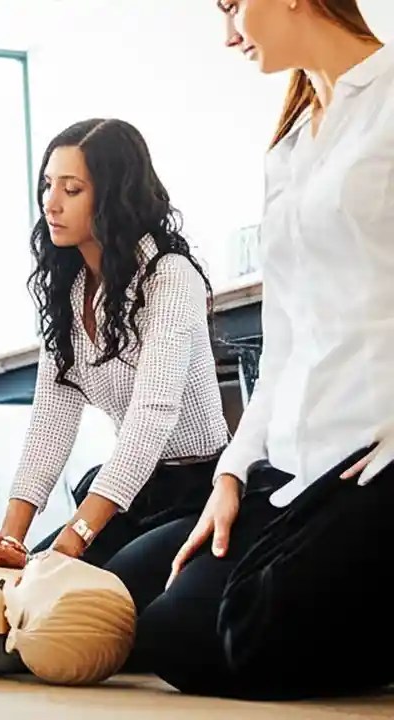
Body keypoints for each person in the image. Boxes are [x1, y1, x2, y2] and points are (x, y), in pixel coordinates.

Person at [105, 0, 394, 700]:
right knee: (146, 614)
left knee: (231, 635)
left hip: (375, 457)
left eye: (233, 5)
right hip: (292, 463)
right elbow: (287, 333)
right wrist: (232, 473)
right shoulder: (292, 143)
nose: (227, 31)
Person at [0, 119, 229, 573]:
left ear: (115, 197)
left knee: (79, 594)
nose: (51, 203)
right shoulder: (71, 287)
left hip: (198, 490)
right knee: (23, 585)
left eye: (72, 189)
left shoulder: (170, 276)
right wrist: (9, 542)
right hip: (131, 492)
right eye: (47, 185)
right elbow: (48, 425)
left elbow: (151, 416)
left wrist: (72, 540)